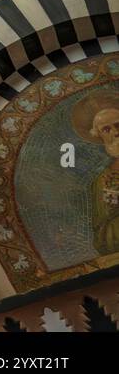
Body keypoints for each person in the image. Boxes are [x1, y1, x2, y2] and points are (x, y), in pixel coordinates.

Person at [71, 90, 119, 256]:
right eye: (107, 129)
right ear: (100, 137)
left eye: (118, 125)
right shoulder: (104, 180)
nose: (115, 132)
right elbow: (104, 230)